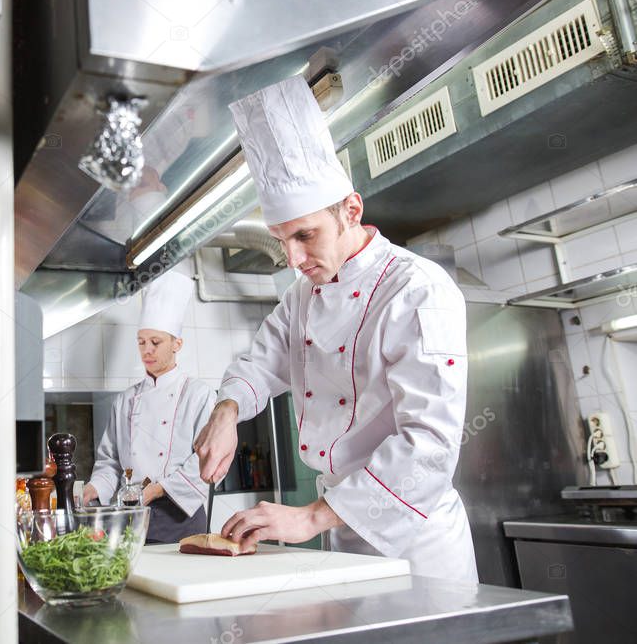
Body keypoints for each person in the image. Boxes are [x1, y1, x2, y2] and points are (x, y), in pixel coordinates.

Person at [194, 75, 478, 583]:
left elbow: (430, 446)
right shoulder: (302, 295)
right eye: (282, 240)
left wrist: (308, 517)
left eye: (305, 235)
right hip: (343, 533)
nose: (294, 259)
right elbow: (261, 364)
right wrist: (227, 411)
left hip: (417, 545)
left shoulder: (417, 290)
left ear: (352, 210)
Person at [83, 271, 216, 543]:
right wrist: (94, 488)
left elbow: (204, 461)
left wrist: (156, 490)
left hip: (181, 517)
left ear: (177, 344)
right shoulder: (125, 400)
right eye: (142, 342)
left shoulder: (199, 394)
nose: (147, 351)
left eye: (156, 343)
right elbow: (110, 461)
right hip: (131, 518)